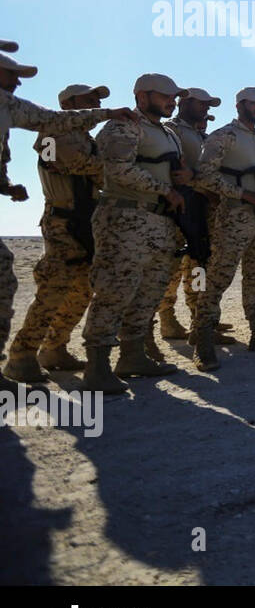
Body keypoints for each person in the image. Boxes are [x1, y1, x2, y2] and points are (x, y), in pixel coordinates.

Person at [1, 70, 130, 384]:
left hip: (86, 221)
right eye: (90, 99)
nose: (96, 103)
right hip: (63, 222)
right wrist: (122, 169)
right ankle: (21, 355)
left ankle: (54, 347)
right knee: (54, 289)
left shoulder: (84, 136)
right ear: (69, 102)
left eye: (98, 100)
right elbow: (71, 163)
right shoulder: (49, 134)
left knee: (83, 289)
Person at [80, 74, 192, 390]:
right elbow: (117, 169)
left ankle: (132, 356)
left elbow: (173, 170)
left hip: (161, 223)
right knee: (115, 290)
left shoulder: (168, 134)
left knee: (149, 291)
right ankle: (97, 368)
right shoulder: (123, 125)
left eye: (174, 97)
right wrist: (164, 189)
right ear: (142, 96)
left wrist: (184, 176)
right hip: (125, 218)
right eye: (165, 96)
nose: (172, 101)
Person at [193, 87, 255, 367]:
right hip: (234, 217)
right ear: (240, 106)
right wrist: (246, 195)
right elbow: (204, 176)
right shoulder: (224, 136)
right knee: (218, 278)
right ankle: (202, 339)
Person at [157, 87, 230, 346]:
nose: (206, 109)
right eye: (202, 104)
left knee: (198, 266)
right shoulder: (171, 130)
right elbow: (177, 173)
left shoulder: (199, 136)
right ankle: (167, 318)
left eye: (208, 105)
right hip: (178, 210)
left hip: (201, 210)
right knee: (172, 268)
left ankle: (201, 320)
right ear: (184, 103)